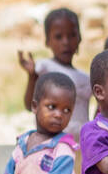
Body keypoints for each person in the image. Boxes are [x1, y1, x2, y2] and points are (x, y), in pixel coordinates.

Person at [18, 8, 91, 138]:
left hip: (79, 144)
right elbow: (29, 105)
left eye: (72, 35)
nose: (66, 42)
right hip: (50, 143)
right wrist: (32, 77)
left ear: (80, 38)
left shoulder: (86, 78)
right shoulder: (44, 68)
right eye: (58, 37)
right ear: (47, 41)